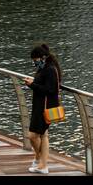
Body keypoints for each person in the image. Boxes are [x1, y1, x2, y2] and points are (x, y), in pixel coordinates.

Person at [23, 44, 61, 173]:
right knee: (43, 135)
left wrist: (32, 85)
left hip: (44, 107)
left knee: (33, 136)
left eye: (35, 60)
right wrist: (33, 82)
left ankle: (39, 157)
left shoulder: (50, 69)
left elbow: (50, 90)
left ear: (43, 57)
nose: (34, 63)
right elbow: (43, 83)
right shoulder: (43, 68)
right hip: (39, 105)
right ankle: (43, 166)